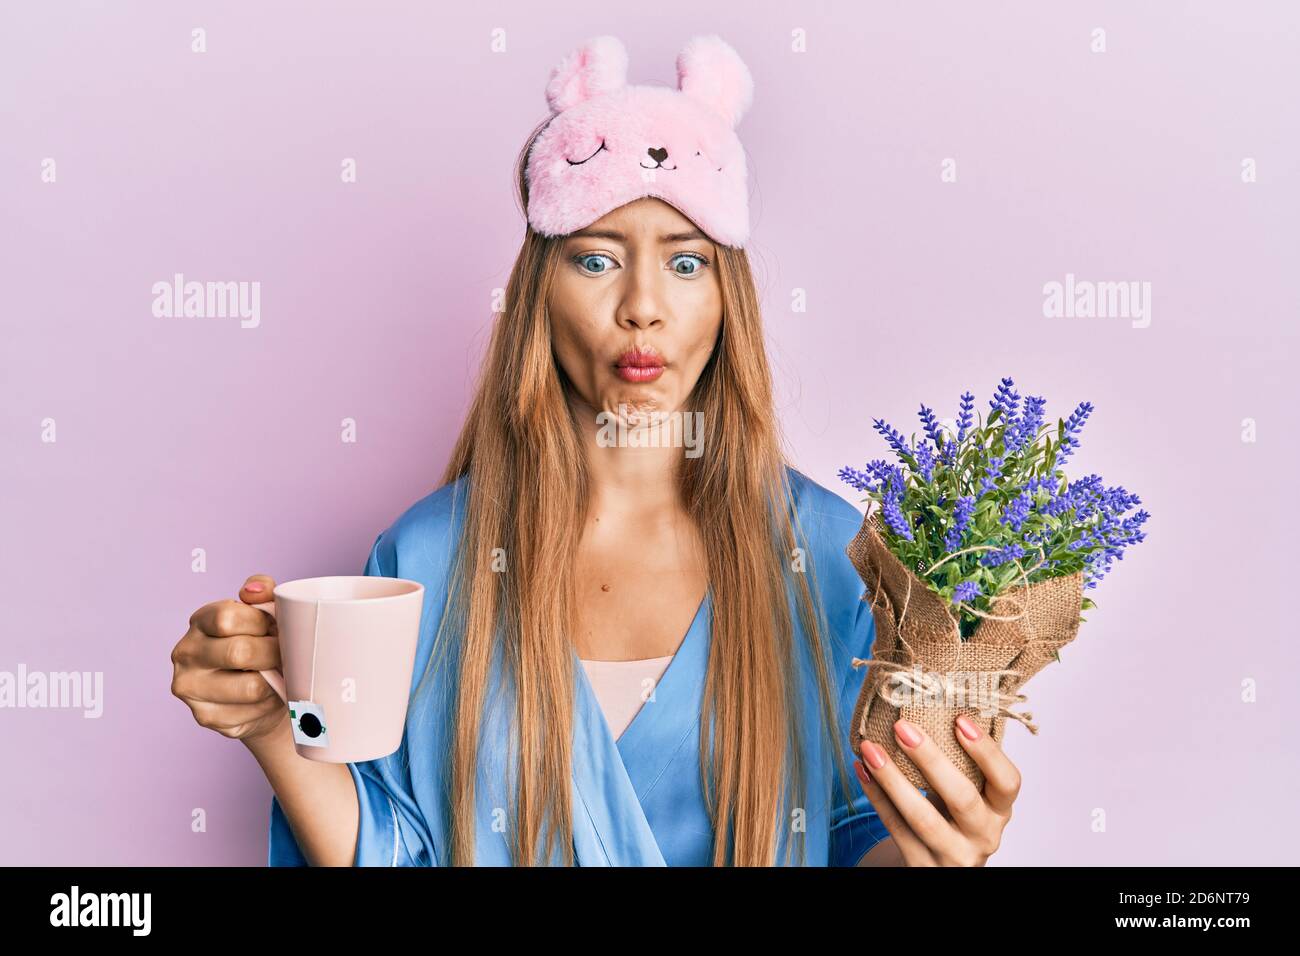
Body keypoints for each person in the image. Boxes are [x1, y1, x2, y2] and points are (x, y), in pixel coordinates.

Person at [169, 34, 1019, 867]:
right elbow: (396, 853)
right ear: (541, 294)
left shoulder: (833, 557)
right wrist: (269, 726)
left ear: (730, 302)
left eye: (686, 265)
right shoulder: (426, 557)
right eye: (596, 259)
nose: (642, 306)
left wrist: (937, 854)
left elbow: (854, 840)